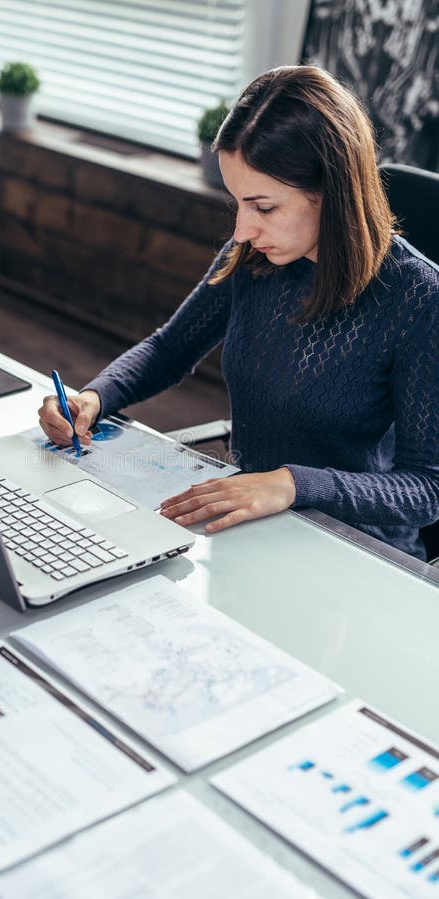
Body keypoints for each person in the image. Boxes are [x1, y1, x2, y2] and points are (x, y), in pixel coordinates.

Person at [39, 65, 439, 561]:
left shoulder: (417, 297)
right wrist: (95, 397)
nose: (243, 228)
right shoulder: (255, 256)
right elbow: (169, 348)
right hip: (251, 524)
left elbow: (426, 489)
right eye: (237, 203)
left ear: (332, 192)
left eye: (263, 207)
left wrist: (293, 484)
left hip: (355, 548)